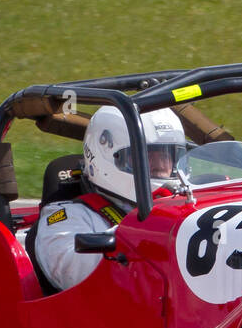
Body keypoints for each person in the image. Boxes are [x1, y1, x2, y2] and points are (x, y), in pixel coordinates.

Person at [34, 106, 186, 292]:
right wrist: (141, 234)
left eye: (166, 156)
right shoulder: (67, 218)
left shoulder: (180, 203)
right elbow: (73, 273)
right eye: (145, 157)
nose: (160, 168)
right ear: (104, 157)